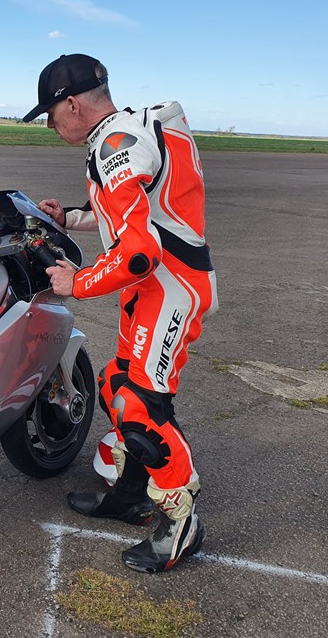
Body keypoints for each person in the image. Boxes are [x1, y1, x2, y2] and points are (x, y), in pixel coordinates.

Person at [23, 54, 218, 573]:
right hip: (151, 290)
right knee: (114, 384)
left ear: (71, 103)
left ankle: (181, 521)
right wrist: (70, 217)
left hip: (167, 288)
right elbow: (132, 216)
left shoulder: (115, 145)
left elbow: (138, 253)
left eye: (50, 112)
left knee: (141, 404)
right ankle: (132, 493)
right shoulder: (122, 135)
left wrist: (76, 282)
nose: (50, 123)